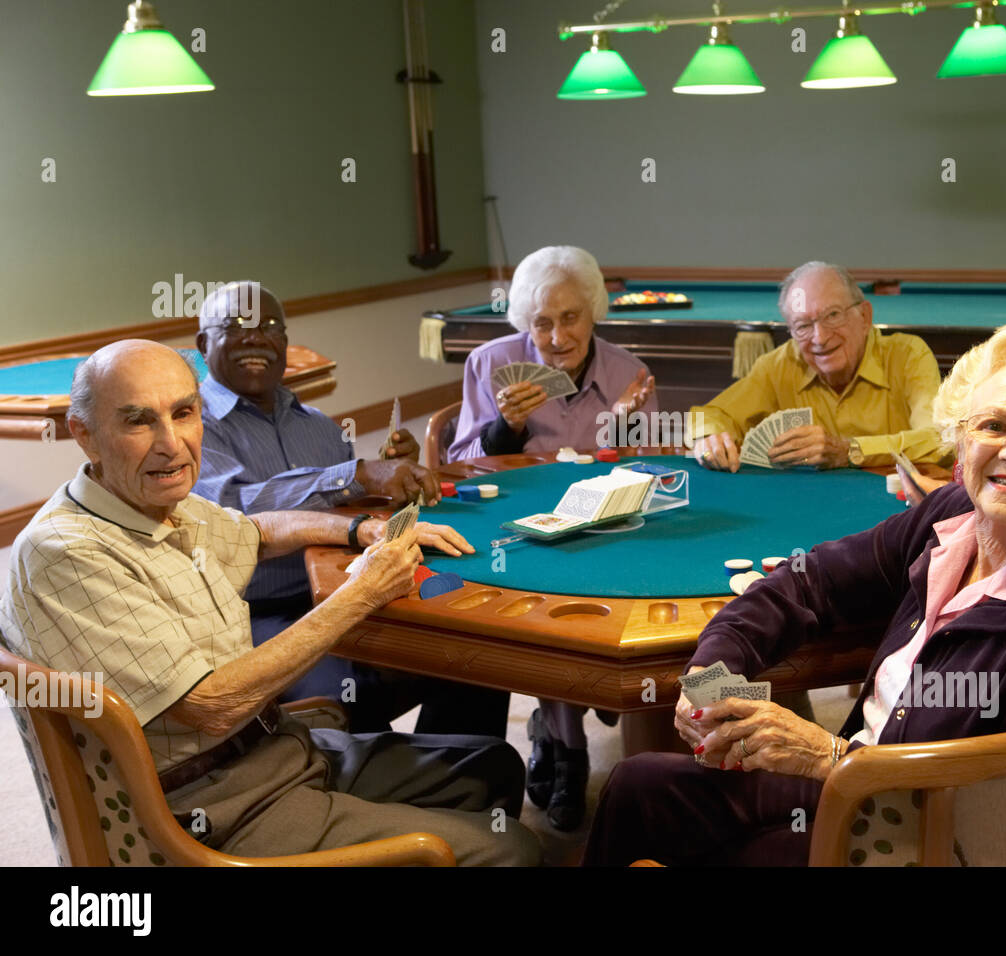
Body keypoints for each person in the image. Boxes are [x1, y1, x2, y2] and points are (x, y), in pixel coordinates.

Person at [583, 322, 1006, 866]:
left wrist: (828, 757)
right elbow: (809, 580)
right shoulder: (952, 512)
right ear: (960, 442)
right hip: (858, 781)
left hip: (926, 835)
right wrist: (715, 671)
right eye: (993, 425)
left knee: (754, 851)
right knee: (638, 787)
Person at [0, 341, 539, 864]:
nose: (171, 443)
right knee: (512, 850)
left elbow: (258, 530)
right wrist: (360, 594)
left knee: (493, 767)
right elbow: (212, 706)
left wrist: (361, 530)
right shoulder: (66, 553)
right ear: (85, 435)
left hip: (277, 748)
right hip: (211, 809)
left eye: (183, 413)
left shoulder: (157, 500)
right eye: (139, 421)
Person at [192, 282, 509, 737]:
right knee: (342, 695)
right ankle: (374, 794)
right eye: (237, 326)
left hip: (353, 592)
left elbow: (349, 512)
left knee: (475, 653)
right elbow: (235, 508)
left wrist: (394, 479)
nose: (255, 338)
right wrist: (359, 473)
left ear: (285, 342)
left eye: (270, 327)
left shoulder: (319, 427)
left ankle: (450, 788)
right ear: (204, 344)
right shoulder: (192, 427)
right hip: (257, 614)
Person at [447, 245, 657, 831]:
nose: (556, 336)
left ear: (593, 314)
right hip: (515, 527)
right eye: (542, 321)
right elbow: (458, 464)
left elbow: (655, 472)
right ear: (523, 322)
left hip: (611, 523)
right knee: (549, 606)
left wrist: (631, 428)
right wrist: (505, 426)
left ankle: (578, 704)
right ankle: (569, 749)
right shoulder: (491, 363)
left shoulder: (628, 372)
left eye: (570, 318)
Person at [688, 262, 945, 472]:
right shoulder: (777, 365)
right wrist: (709, 437)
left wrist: (848, 450)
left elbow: (940, 440)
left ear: (865, 317)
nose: (820, 338)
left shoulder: (907, 355)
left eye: (833, 315)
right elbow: (711, 414)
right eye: (803, 326)